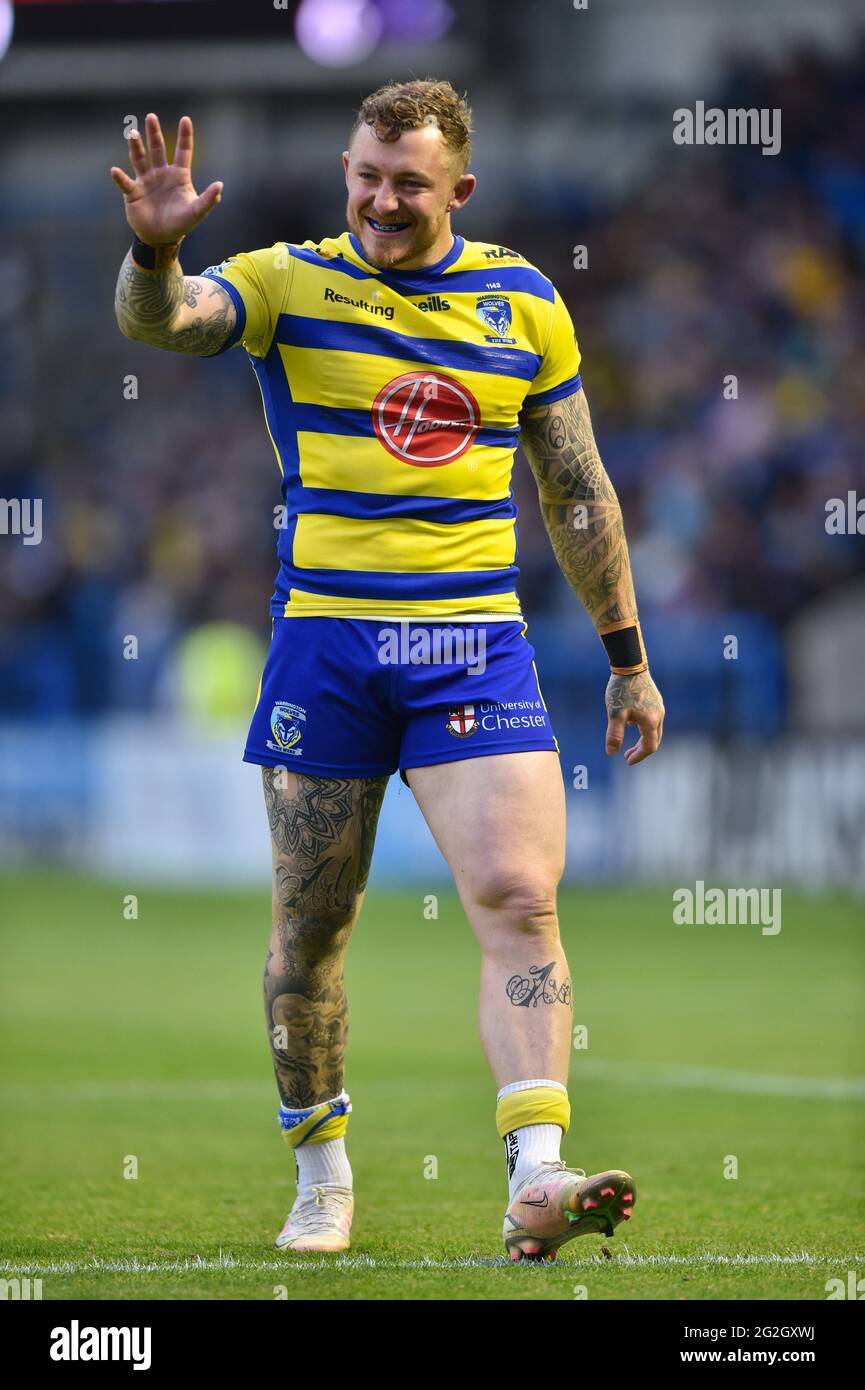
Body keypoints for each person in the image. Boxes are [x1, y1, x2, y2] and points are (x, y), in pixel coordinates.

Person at [111, 79, 664, 1263]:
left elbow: (575, 491)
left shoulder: (523, 302)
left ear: (460, 189)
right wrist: (154, 253)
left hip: (472, 643)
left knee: (519, 898)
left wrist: (626, 657)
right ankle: (321, 1176)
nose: (381, 200)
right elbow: (165, 322)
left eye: (409, 183)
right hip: (330, 645)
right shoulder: (285, 281)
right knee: (311, 933)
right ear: (345, 172)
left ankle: (537, 1175)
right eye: (366, 175)